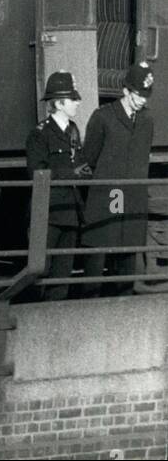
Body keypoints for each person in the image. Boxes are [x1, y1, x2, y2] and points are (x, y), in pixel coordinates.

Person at [80, 63, 155, 297]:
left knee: (127, 255)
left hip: (132, 197)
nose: (142, 100)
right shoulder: (103, 117)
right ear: (125, 90)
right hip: (109, 195)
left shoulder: (146, 121)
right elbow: (88, 160)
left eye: (146, 95)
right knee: (100, 250)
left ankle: (121, 308)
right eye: (138, 94)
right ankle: (89, 305)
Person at [24, 72, 90, 302]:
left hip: (70, 212)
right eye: (73, 100)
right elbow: (37, 172)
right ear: (60, 103)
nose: (78, 103)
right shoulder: (39, 134)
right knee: (39, 272)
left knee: (62, 276)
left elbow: (82, 165)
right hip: (48, 213)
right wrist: (73, 173)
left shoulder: (73, 130)